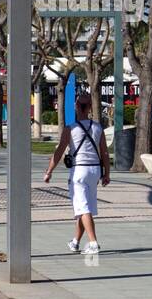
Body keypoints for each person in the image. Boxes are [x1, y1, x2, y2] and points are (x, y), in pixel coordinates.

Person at [43, 93, 110, 255]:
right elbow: (105, 153)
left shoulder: (71, 129)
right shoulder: (97, 128)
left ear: (76, 107)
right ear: (89, 108)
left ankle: (93, 243)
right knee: (85, 207)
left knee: (82, 207)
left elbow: (59, 152)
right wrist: (106, 174)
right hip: (95, 170)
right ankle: (75, 242)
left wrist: (49, 171)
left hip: (79, 170)